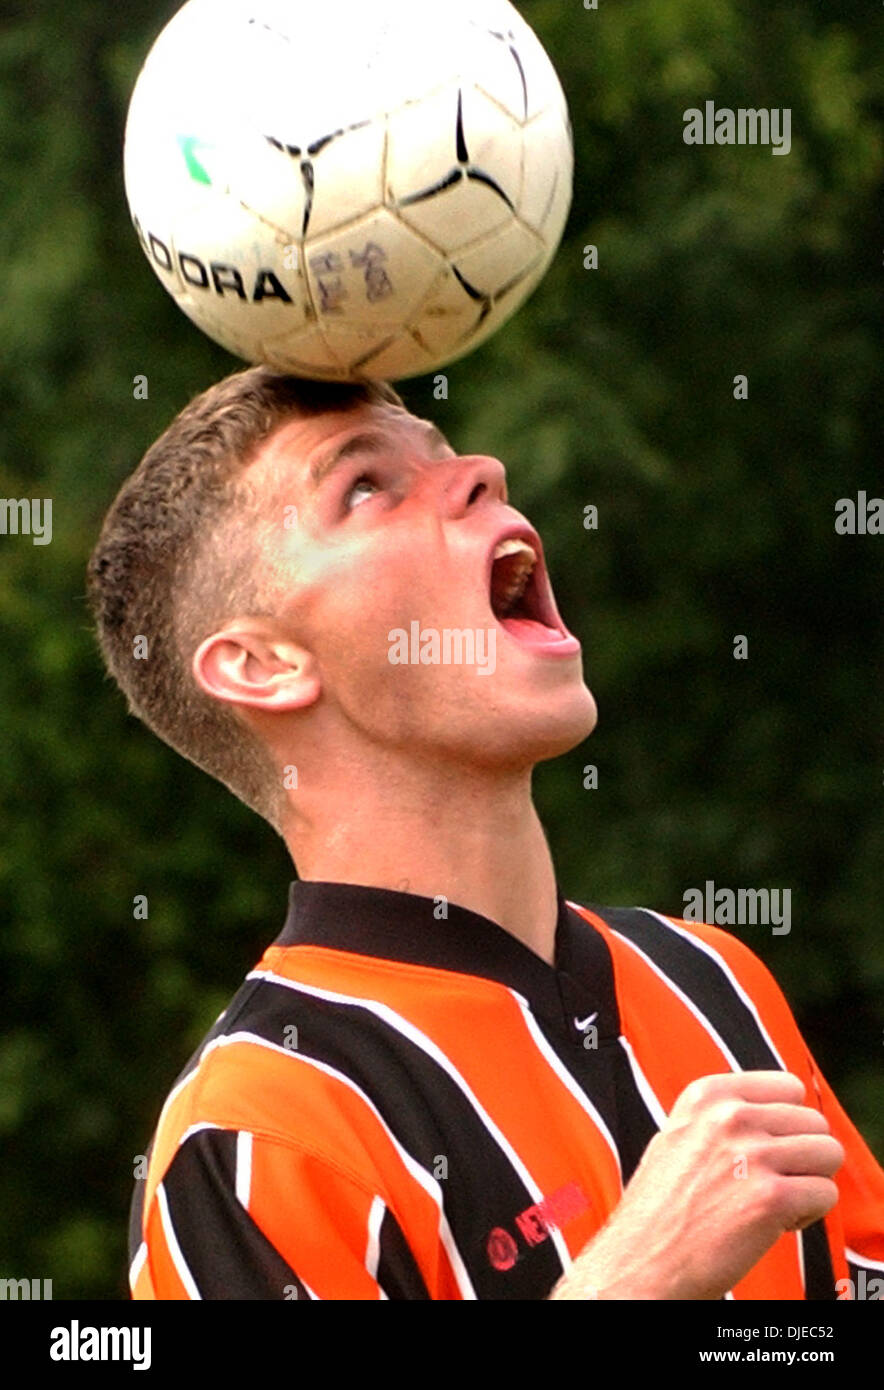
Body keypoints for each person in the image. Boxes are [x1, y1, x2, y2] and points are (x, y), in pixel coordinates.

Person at [87, 366, 884, 1300]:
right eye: (365, 486)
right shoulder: (260, 1131)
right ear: (264, 664)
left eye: (444, 447)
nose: (482, 470)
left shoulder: (712, 981)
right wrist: (638, 1279)